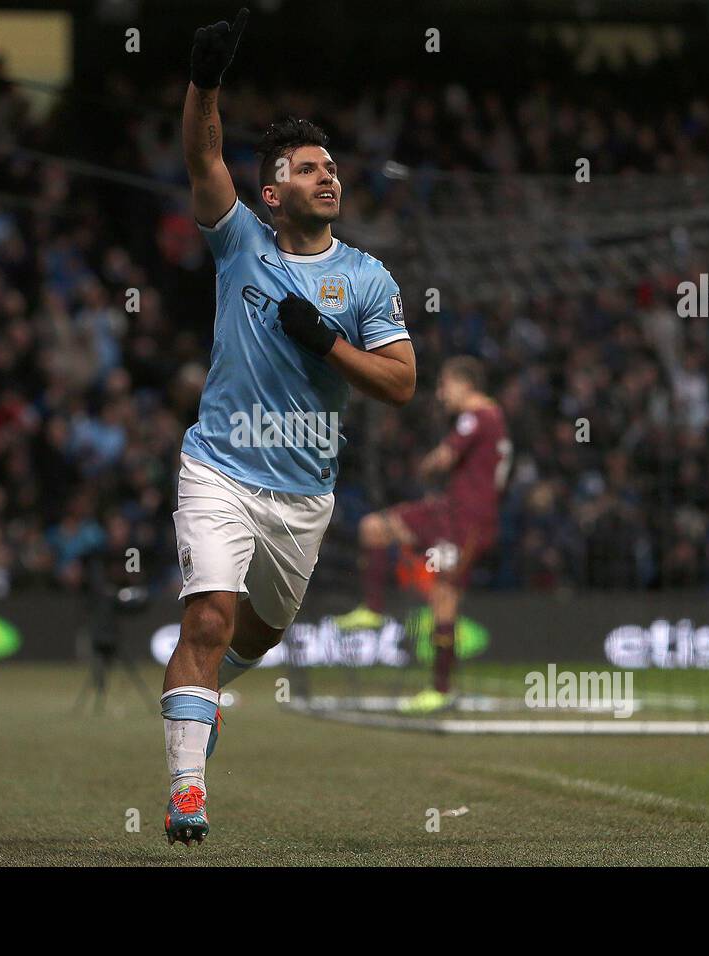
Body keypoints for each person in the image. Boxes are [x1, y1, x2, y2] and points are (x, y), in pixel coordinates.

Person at [160, 7, 416, 846]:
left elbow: (402, 383)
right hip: (221, 470)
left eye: (332, 167)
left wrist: (330, 345)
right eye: (309, 169)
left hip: (305, 496)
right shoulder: (240, 242)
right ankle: (188, 792)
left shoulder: (367, 278)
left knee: (257, 635)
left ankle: (210, 696)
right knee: (206, 620)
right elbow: (202, 153)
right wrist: (205, 81)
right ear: (273, 193)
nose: (329, 177)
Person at [338, 356, 510, 714]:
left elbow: (443, 458)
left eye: (445, 385)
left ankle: (441, 689)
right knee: (375, 527)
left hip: (466, 524)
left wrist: (427, 465)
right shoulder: (491, 419)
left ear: (465, 384)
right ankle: (372, 609)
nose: (441, 394)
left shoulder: (478, 416)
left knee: (444, 599)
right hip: (445, 512)